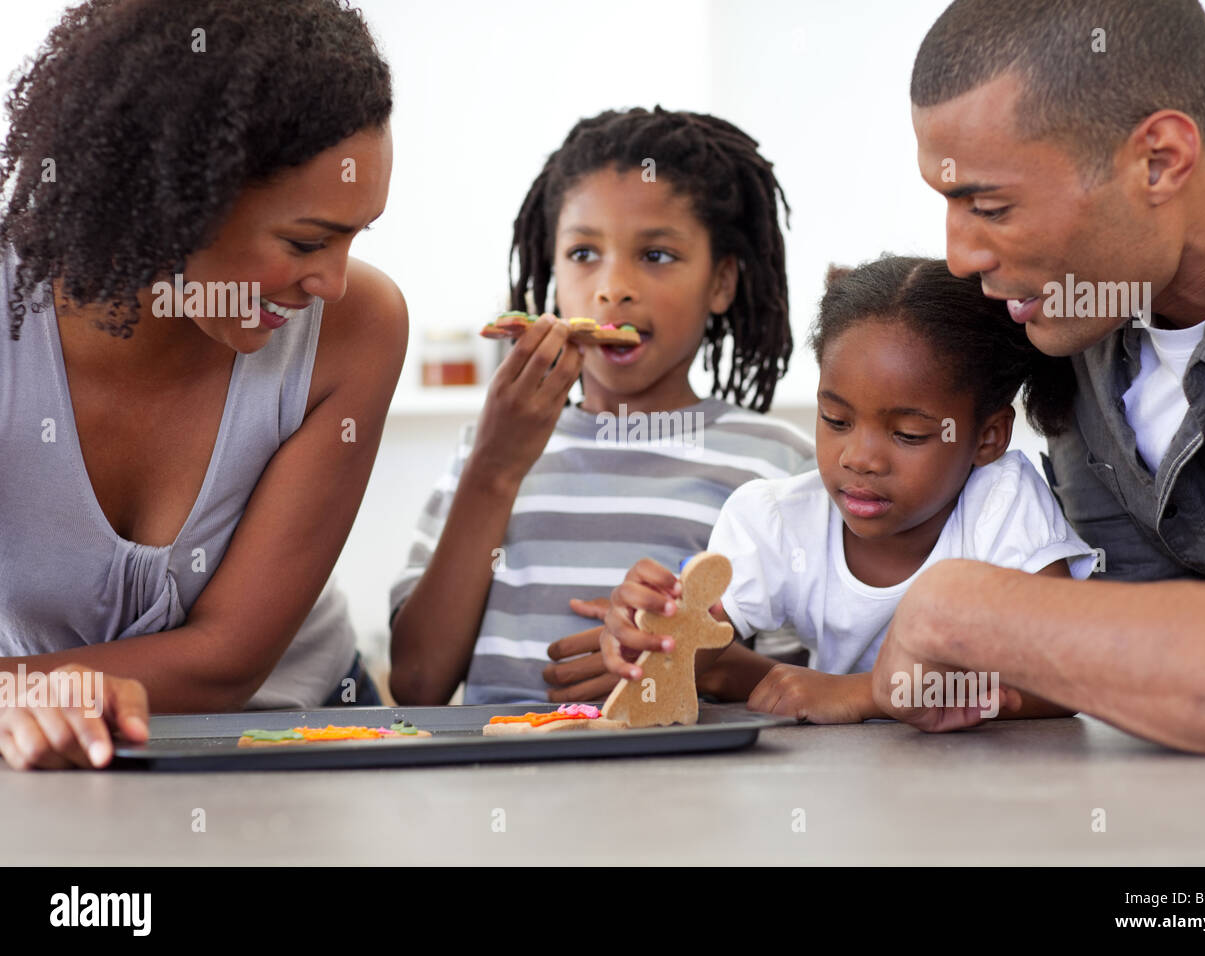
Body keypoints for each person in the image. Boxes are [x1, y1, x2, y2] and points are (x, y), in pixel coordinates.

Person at [878, 0, 1205, 752]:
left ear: (1160, 160)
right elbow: (1135, 664)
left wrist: (958, 608)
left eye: (991, 205)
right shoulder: (1082, 321)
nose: (960, 257)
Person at [0, 0, 407, 770]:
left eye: (356, 236)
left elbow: (225, 662)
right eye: (307, 240)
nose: (332, 280)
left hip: (298, 736)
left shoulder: (358, 330)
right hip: (44, 754)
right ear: (167, 195)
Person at [389, 107, 815, 707]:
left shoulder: (778, 465)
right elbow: (416, 683)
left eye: (657, 255)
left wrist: (680, 662)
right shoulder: (484, 452)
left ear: (721, 283)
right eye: (584, 254)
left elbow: (799, 682)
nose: (613, 287)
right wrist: (495, 468)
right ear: (553, 271)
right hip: (501, 789)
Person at [601, 256, 1094, 724]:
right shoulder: (778, 519)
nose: (859, 458)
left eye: (907, 434)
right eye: (836, 420)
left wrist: (867, 694)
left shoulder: (1001, 504)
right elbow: (695, 644)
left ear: (987, 437)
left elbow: (1059, 680)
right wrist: (655, 627)